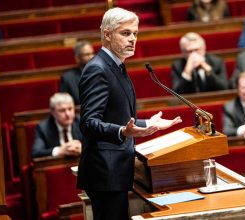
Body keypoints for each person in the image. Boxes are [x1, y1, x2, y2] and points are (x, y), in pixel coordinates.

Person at [77, 7, 182, 220]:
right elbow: (88, 123)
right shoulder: (98, 69)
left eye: (135, 33)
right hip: (105, 172)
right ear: (107, 34)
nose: (133, 39)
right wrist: (123, 132)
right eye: (125, 33)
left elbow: (116, 118)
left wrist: (146, 123)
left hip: (115, 171)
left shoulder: (116, 67)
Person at [32, 93, 82, 158]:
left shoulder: (81, 122)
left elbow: (96, 145)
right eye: (62, 110)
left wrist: (83, 148)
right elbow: (36, 153)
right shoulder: (43, 128)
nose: (67, 114)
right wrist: (59, 150)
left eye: (70, 109)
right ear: (53, 112)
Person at [59, 40, 95, 105]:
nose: (92, 57)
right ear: (77, 58)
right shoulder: (68, 78)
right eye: (87, 54)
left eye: (92, 53)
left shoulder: (103, 72)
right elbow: (64, 105)